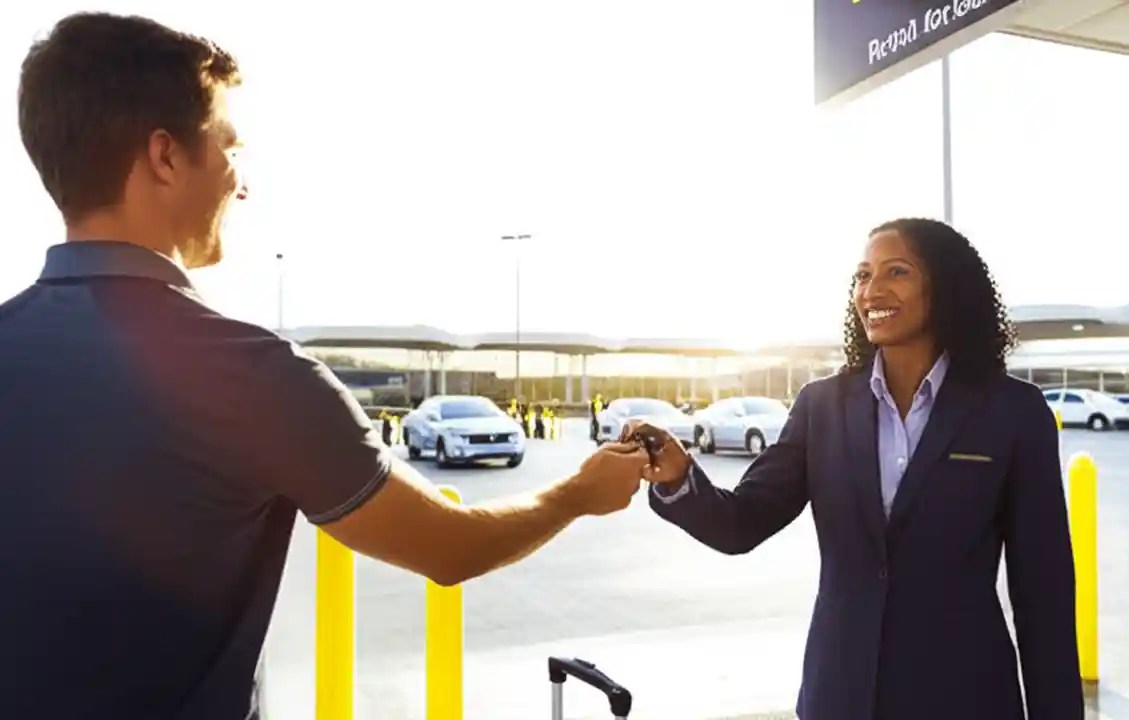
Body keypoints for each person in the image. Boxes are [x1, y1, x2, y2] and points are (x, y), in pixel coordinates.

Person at [0, 13, 648, 719]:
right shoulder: (255, 378)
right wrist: (578, 492)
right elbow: (450, 549)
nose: (238, 182)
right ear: (164, 156)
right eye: (229, 147)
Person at [632, 218, 1083, 720]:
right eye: (863, 276)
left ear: (945, 285)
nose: (872, 290)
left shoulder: (1013, 413)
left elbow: (1043, 592)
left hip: (966, 696)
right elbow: (742, 522)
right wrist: (678, 478)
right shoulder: (821, 406)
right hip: (841, 696)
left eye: (897, 272)